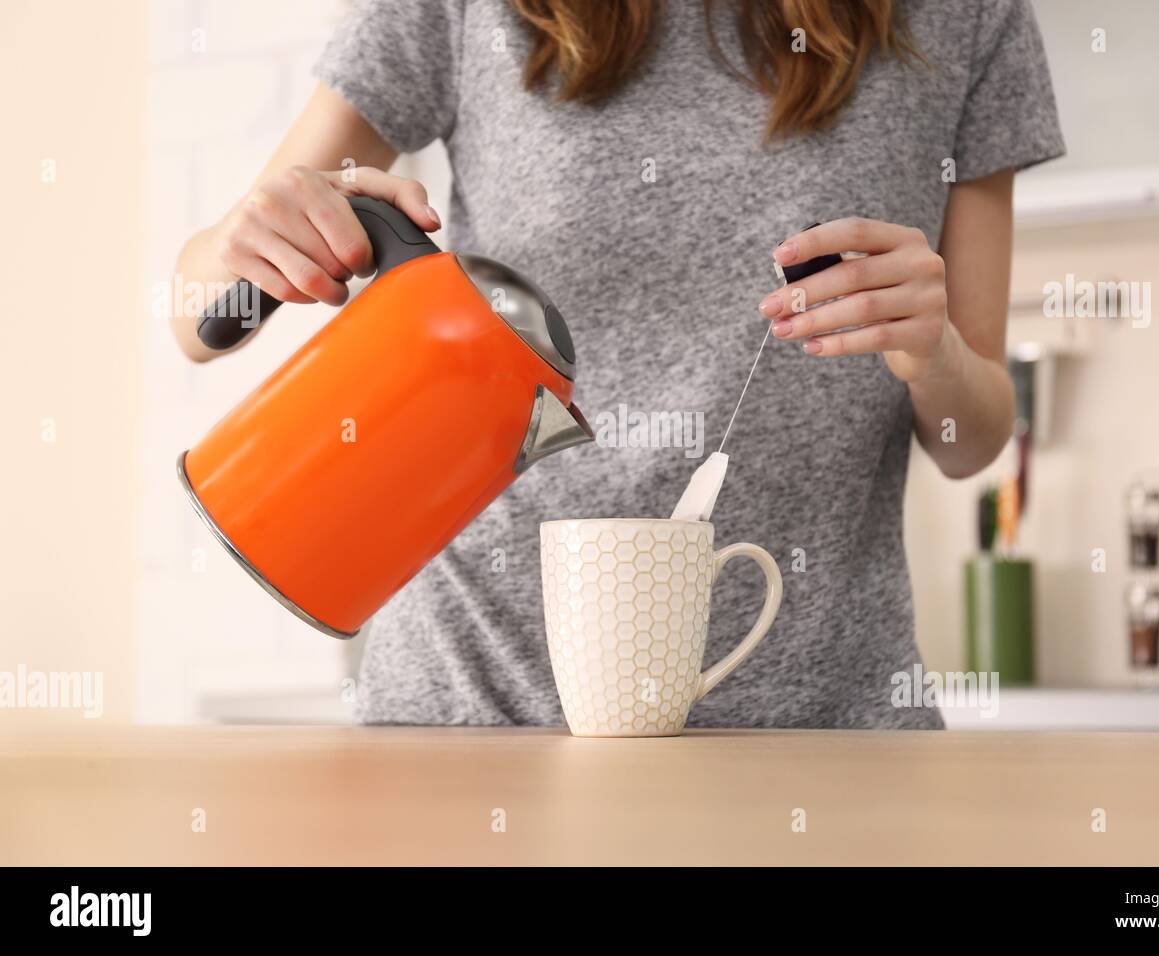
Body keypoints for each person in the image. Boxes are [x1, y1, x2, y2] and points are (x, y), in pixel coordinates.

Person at [170, 0, 1064, 728]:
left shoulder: (967, 17)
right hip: (474, 720)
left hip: (821, 732)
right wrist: (248, 243)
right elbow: (199, 311)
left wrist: (934, 349)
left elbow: (969, 440)